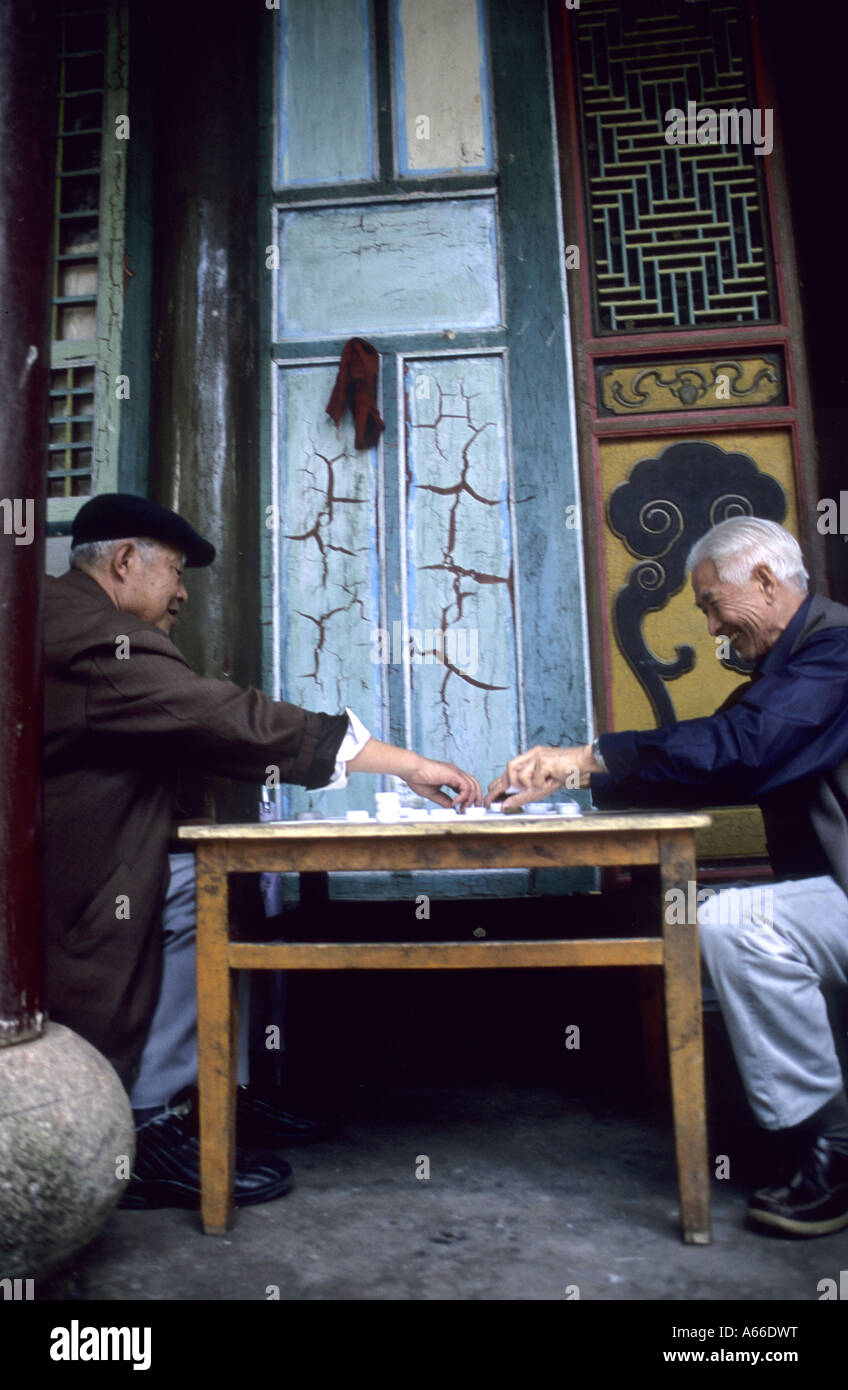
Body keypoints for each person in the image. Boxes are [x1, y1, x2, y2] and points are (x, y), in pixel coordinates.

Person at [44, 492, 481, 1209]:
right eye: (176, 571)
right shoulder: (93, 638)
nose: (183, 591)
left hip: (76, 858)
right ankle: (153, 1124)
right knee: (194, 889)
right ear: (125, 561)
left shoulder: (72, 618)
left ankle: (218, 1090)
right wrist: (406, 764)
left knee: (230, 882)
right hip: (66, 882)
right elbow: (226, 720)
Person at [486, 516, 848, 1238]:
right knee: (728, 921)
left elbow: (742, 750)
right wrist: (569, 780)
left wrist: (586, 755)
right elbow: (706, 762)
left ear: (769, 583)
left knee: (731, 924)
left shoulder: (835, 651)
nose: (713, 628)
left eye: (714, 604)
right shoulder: (795, 660)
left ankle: (832, 1149)